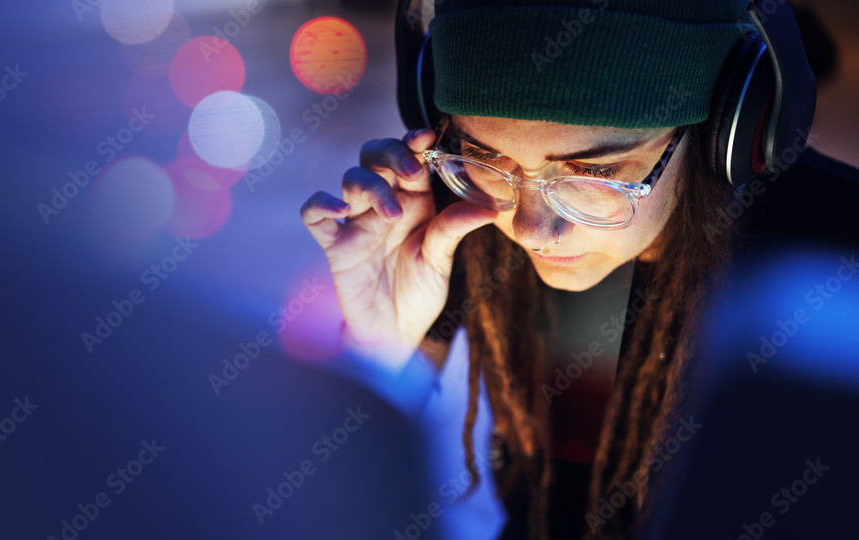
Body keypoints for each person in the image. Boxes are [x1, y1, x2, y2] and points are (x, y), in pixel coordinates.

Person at [300, 1, 859, 538]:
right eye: (490, 161)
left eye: (593, 175)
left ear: (729, 134)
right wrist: (379, 352)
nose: (529, 230)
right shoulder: (459, 224)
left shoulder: (834, 263)